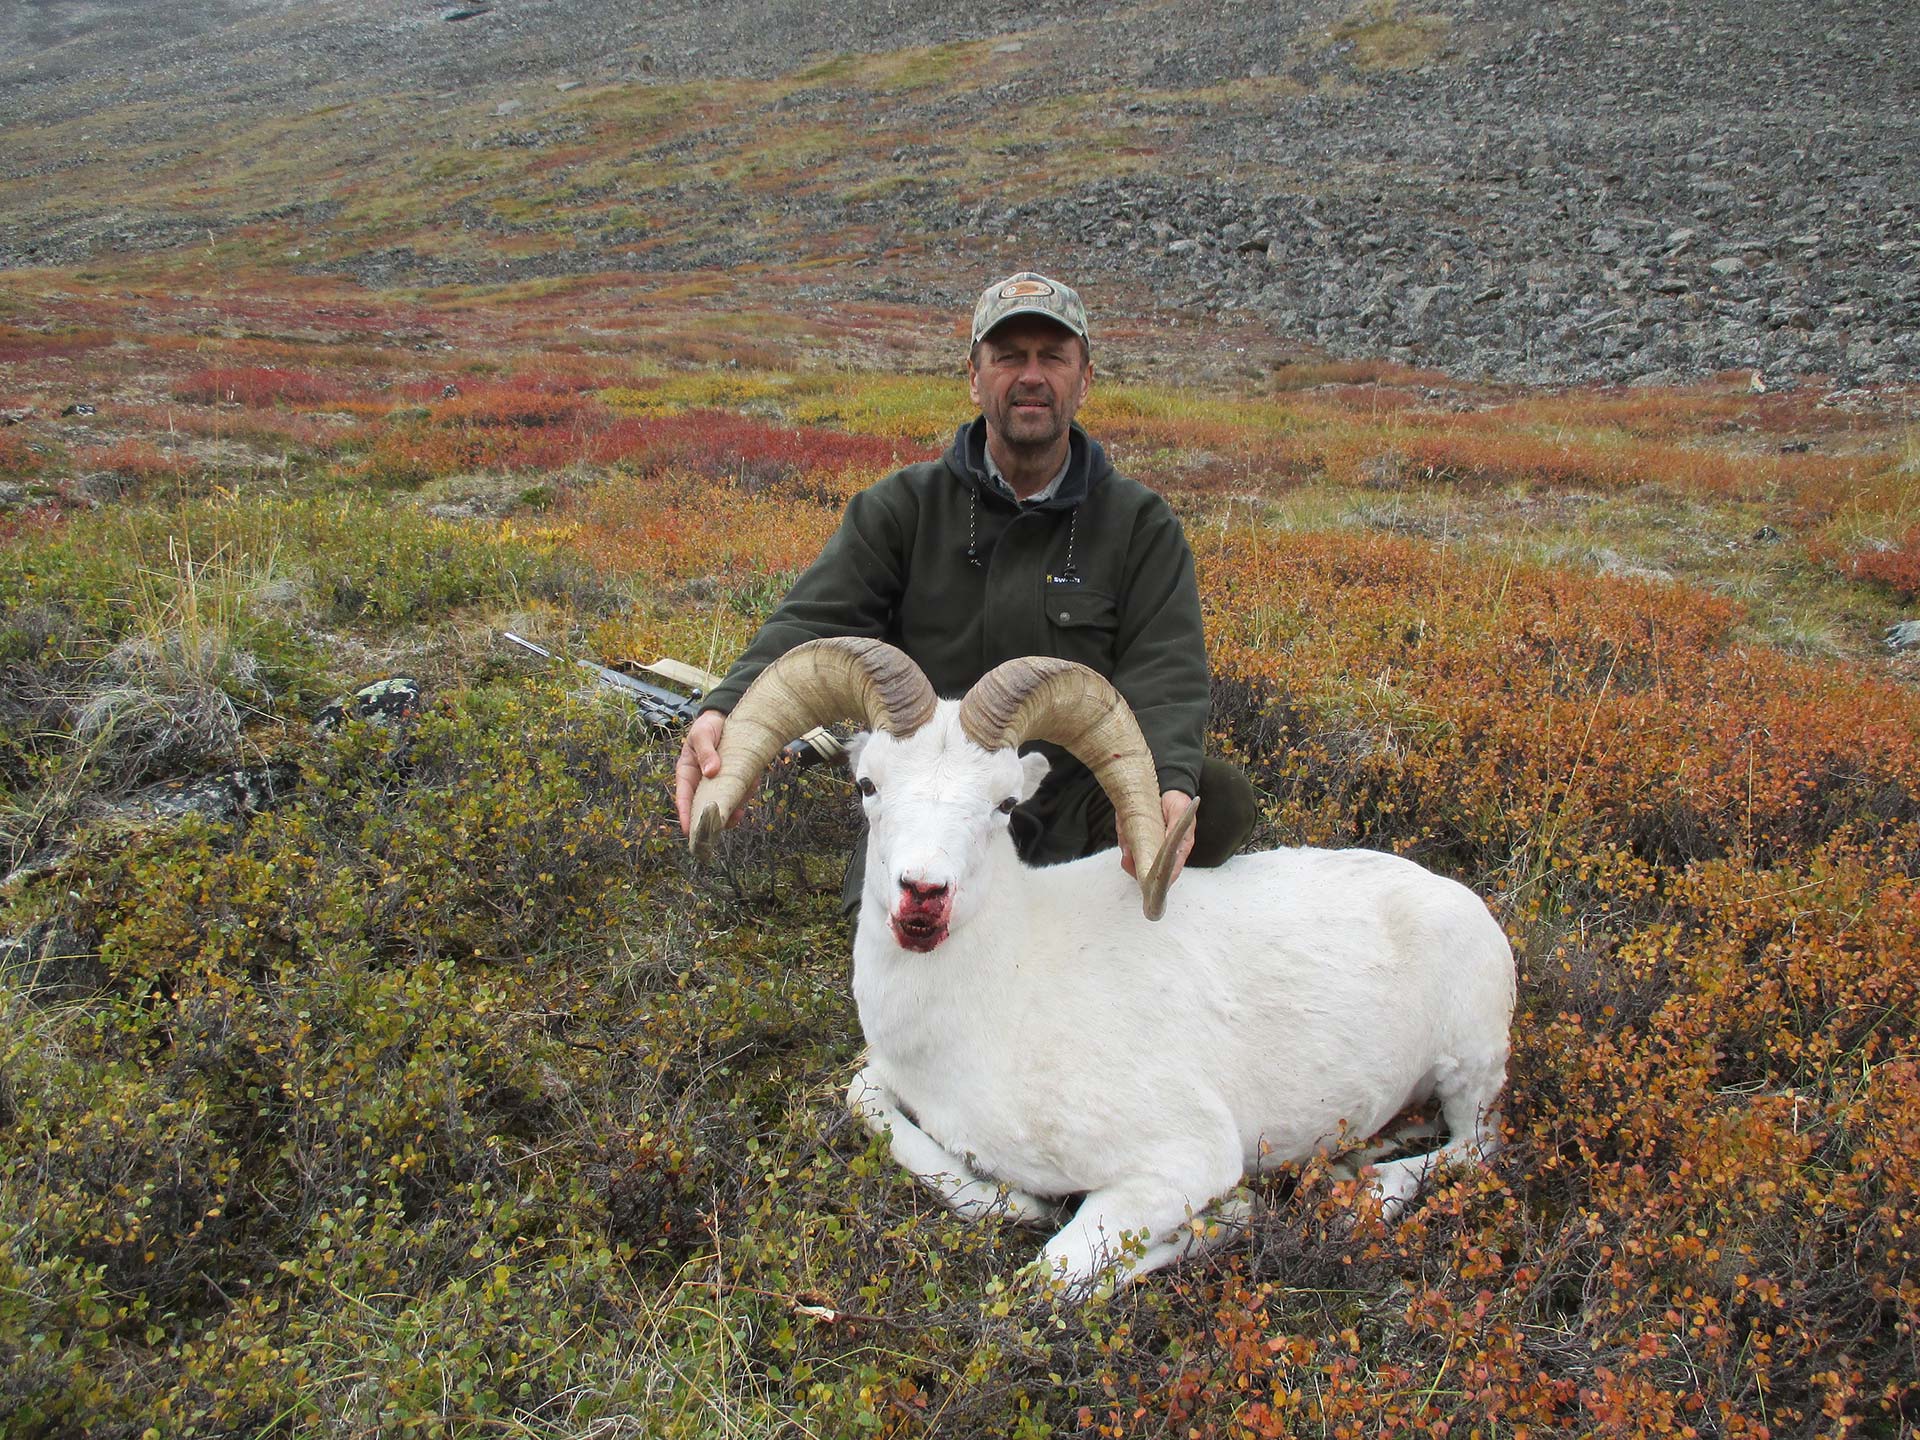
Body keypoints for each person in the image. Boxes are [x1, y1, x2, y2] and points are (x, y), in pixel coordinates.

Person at [673, 270, 1256, 898]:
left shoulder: (1139, 524)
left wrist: (1161, 781)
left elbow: (1164, 671)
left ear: (1083, 378)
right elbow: (812, 624)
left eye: (1053, 357)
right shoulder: (901, 508)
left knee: (1214, 797)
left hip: (1067, 803)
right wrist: (726, 711)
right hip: (932, 801)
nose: (1031, 376)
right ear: (975, 376)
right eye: (1007, 356)